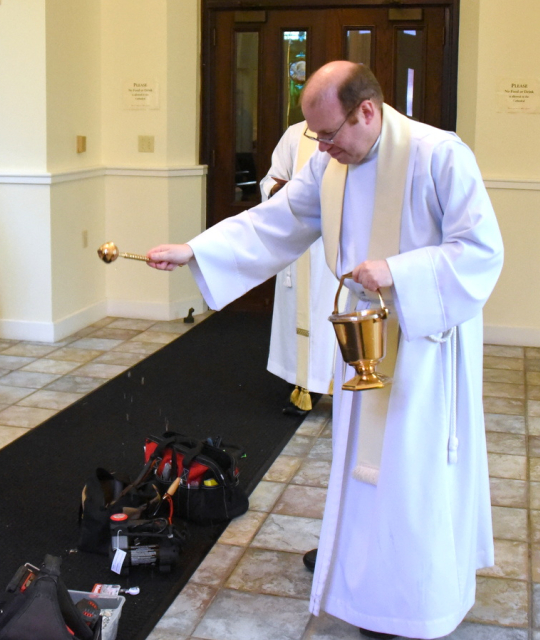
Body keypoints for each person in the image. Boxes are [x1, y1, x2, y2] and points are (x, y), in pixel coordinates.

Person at [147, 61, 504, 639]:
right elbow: (277, 219)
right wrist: (198, 250)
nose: (324, 148)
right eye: (317, 137)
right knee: (359, 466)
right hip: (363, 338)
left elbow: (481, 251)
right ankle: (359, 569)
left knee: (407, 470)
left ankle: (413, 600)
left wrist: (397, 271)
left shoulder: (440, 155)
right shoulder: (332, 165)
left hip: (422, 343)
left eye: (331, 134)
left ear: (367, 110)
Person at [261, 121, 339, 416]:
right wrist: (280, 190)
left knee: (338, 315)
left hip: (343, 242)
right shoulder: (297, 134)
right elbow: (270, 180)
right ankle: (302, 384)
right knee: (305, 315)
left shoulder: (359, 131)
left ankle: (343, 386)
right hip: (304, 244)